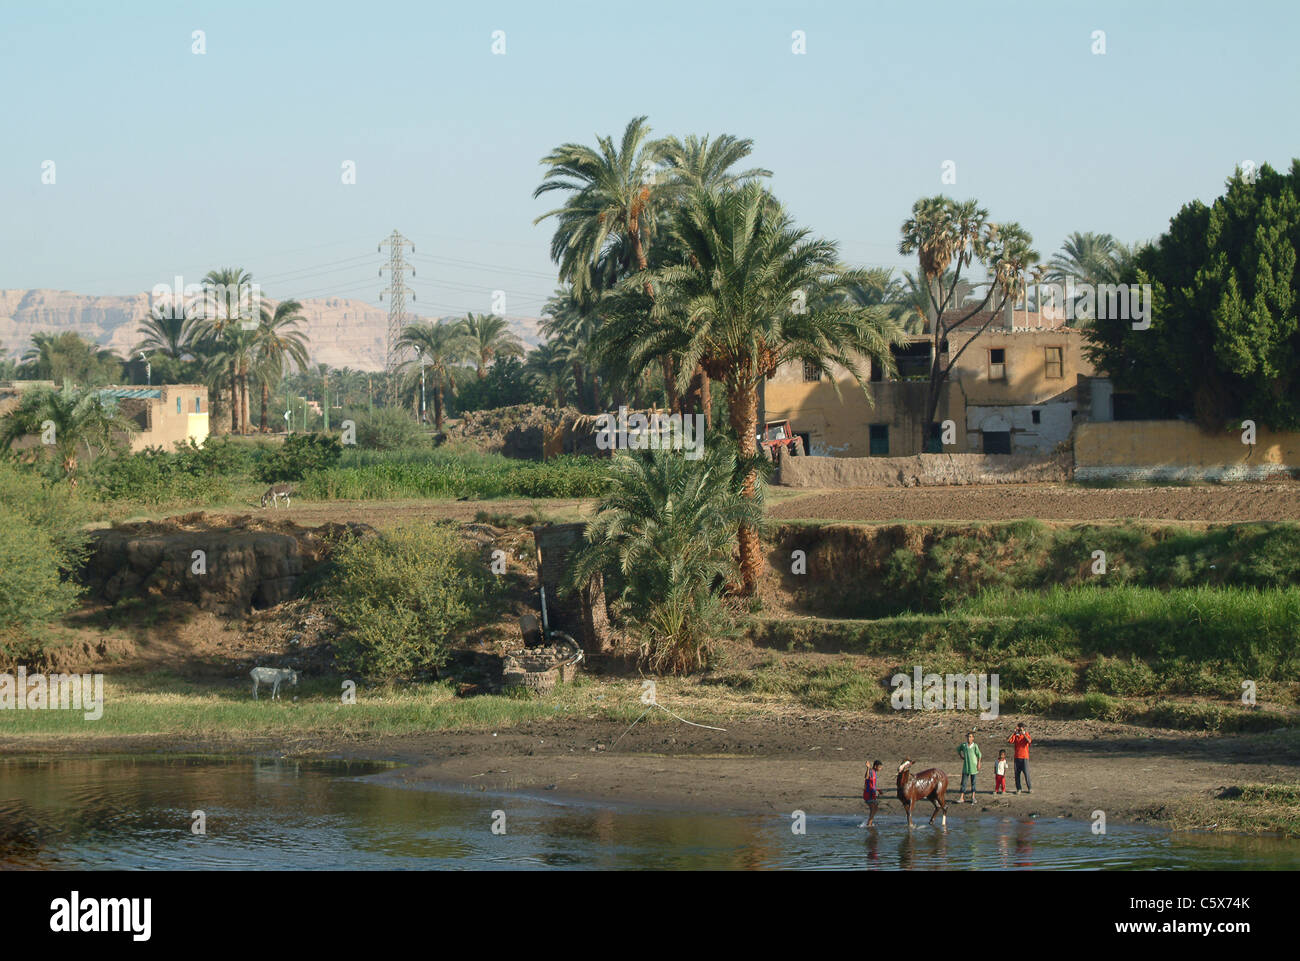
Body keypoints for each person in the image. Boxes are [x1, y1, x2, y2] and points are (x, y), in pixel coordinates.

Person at [1007, 721, 1032, 794]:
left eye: (1021, 730)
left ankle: (1029, 788)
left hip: (1024, 757)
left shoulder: (1026, 735)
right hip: (1017, 757)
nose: (1019, 731)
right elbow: (1008, 740)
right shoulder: (1016, 735)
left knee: (1026, 773)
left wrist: (1024, 734)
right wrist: (1013, 732)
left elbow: (1029, 741)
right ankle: (1019, 788)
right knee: (1017, 774)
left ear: (1024, 729)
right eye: (1019, 730)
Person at [957, 731, 981, 802]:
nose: (969, 738)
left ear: (973, 738)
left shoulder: (975, 746)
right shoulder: (964, 745)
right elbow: (958, 749)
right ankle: (961, 797)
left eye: (970, 737)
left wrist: (979, 763)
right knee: (964, 782)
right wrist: (961, 756)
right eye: (968, 737)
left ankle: (973, 797)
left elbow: (979, 755)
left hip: (974, 766)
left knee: (973, 782)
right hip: (966, 766)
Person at [863, 759, 884, 826]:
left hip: (872, 794)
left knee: (875, 807)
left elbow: (872, 785)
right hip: (868, 794)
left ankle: (869, 822)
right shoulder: (871, 771)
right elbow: (866, 777)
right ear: (875, 766)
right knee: (873, 808)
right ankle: (869, 824)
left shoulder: (875, 773)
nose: (880, 769)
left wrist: (878, 790)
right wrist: (868, 768)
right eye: (880, 767)